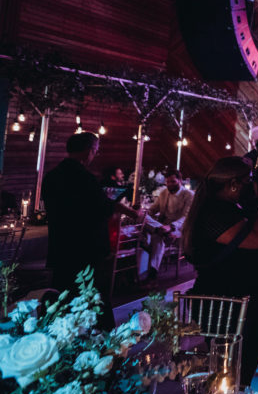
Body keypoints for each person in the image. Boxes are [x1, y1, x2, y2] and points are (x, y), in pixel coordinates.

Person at [182, 157, 258, 386]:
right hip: (225, 302)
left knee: (243, 353)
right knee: (232, 360)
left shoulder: (227, 206)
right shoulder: (214, 212)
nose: (250, 185)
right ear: (233, 184)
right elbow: (257, 239)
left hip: (234, 297)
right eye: (247, 181)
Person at [42, 132, 143, 330]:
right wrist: (127, 211)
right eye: (95, 151)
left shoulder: (51, 176)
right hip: (85, 247)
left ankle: (57, 334)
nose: (94, 156)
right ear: (88, 151)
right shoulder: (84, 178)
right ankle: (100, 339)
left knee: (61, 293)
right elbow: (103, 207)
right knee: (93, 294)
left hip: (60, 244)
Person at [139, 169, 194, 279]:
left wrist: (172, 227)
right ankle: (149, 273)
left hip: (179, 229)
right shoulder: (164, 192)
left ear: (180, 180)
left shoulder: (189, 195)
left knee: (156, 237)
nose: (169, 185)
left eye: (173, 182)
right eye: (167, 182)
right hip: (162, 227)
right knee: (142, 219)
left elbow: (187, 217)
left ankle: (151, 274)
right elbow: (153, 209)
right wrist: (143, 213)